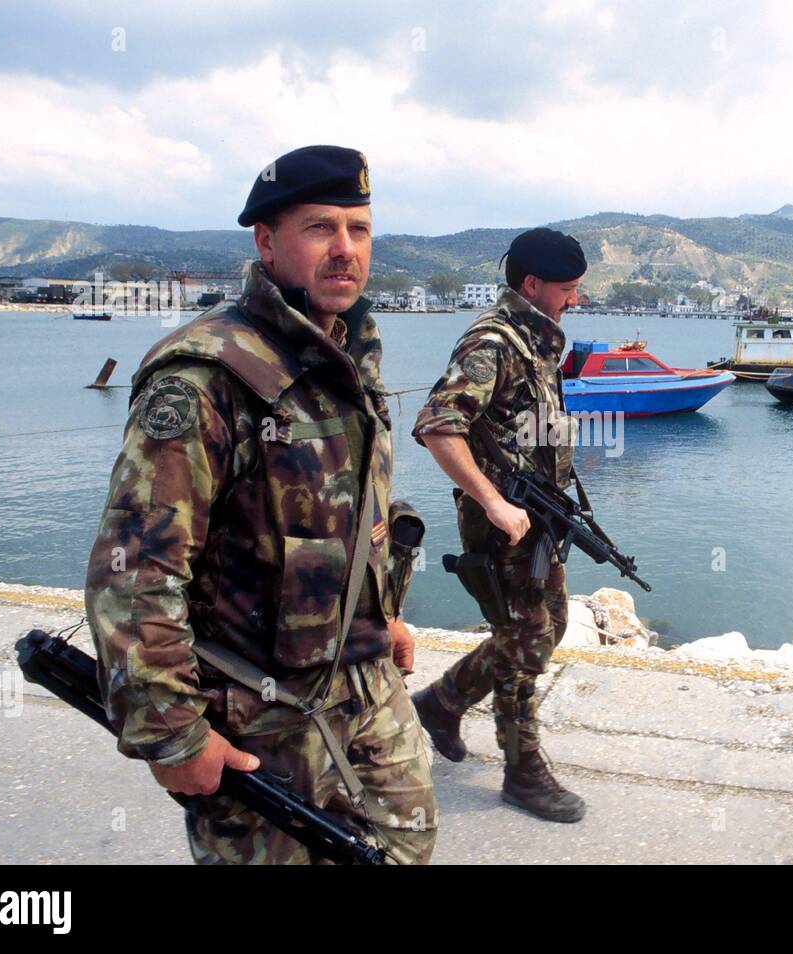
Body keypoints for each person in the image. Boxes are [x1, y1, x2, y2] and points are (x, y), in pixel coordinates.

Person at [84, 145, 436, 864]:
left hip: (363, 684)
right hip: (260, 715)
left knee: (406, 846)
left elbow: (344, 511)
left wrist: (380, 615)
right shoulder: (207, 376)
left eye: (359, 229)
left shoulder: (348, 351)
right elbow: (136, 569)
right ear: (267, 243)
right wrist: (170, 730)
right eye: (320, 228)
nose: (345, 249)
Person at [410, 227, 588, 823]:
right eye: (567, 289)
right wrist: (491, 502)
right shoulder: (493, 343)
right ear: (531, 284)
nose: (575, 300)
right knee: (524, 643)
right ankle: (522, 772)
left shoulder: (536, 341)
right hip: (505, 527)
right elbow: (438, 426)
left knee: (546, 627)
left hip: (539, 518)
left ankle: (441, 702)